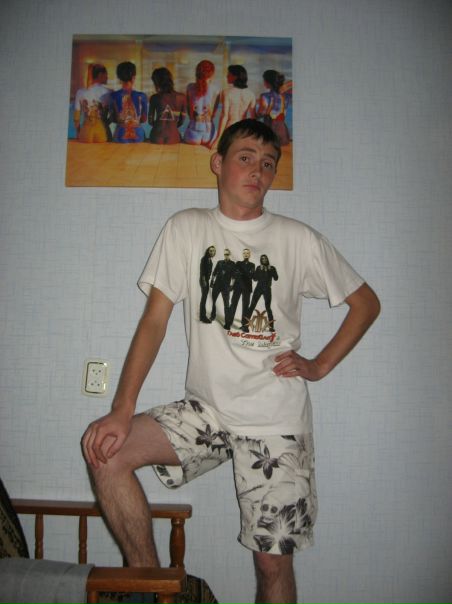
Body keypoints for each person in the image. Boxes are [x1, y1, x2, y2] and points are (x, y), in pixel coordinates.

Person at [82, 118, 380, 604]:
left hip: (275, 420)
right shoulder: (186, 228)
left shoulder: (297, 239)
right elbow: (154, 321)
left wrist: (319, 365)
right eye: (246, 158)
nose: (258, 171)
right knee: (107, 452)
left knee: (271, 561)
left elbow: (365, 303)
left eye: (269, 163)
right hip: (208, 410)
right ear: (218, 164)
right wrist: (122, 407)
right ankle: (151, 588)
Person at [208, 64, 256, 149]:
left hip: (230, 131)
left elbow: (224, 116)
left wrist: (218, 139)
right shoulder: (251, 94)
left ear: (235, 77)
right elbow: (253, 119)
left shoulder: (226, 92)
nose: (226, 76)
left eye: (229, 74)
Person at [110, 61, 148, 143]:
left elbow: (112, 119)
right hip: (138, 133)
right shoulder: (142, 96)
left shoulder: (114, 96)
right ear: (133, 77)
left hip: (121, 133)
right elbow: (144, 119)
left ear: (119, 78)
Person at [73, 63, 112, 143]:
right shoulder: (109, 92)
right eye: (106, 75)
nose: (107, 78)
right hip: (103, 132)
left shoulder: (80, 92)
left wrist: (78, 133)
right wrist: (106, 123)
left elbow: (76, 118)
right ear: (100, 75)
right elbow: (114, 116)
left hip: (85, 133)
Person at [184, 60, 219, 146]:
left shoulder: (190, 87)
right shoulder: (215, 89)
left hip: (193, 134)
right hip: (209, 134)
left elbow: (190, 113)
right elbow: (213, 114)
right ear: (212, 74)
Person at [148, 67, 187, 144]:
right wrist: (172, 127)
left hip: (156, 137)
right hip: (174, 138)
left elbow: (150, 121)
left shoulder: (154, 98)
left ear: (157, 83)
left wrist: (159, 126)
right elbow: (181, 121)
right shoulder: (182, 98)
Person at [256, 69, 291, 146]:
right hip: (283, 130)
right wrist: (284, 87)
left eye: (264, 81)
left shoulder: (265, 96)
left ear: (268, 82)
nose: (263, 83)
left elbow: (260, 113)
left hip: (270, 129)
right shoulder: (286, 96)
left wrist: (256, 116)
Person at [246, 254, 279, 332]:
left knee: (268, 307)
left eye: (265, 258)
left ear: (267, 259)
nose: (264, 260)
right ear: (261, 260)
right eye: (262, 259)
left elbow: (276, 278)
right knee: (252, 306)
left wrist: (271, 270)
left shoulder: (272, 268)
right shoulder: (258, 268)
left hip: (267, 289)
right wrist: (254, 272)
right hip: (259, 288)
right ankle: (245, 325)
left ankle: (271, 327)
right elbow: (255, 279)